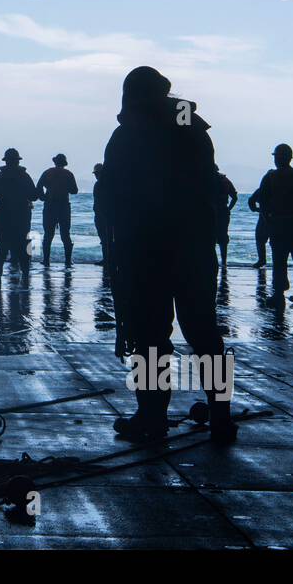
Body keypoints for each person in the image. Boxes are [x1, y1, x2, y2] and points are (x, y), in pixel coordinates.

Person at [101, 66, 235, 444]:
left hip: (145, 249)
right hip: (192, 246)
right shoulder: (192, 127)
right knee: (205, 333)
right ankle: (221, 416)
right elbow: (210, 184)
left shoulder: (127, 134)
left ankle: (151, 417)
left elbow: (112, 198)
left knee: (149, 337)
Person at [252, 144, 293, 305]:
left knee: (279, 261)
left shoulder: (270, 177)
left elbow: (261, 201)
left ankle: (279, 295)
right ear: (290, 158)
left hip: (279, 227)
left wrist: (268, 221)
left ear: (277, 158)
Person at [0, 148, 37, 289]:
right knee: (24, 247)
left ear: (6, 161)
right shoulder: (25, 176)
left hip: (2, 217)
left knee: (1, 247)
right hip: (22, 217)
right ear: (17, 161)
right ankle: (26, 277)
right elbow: (34, 196)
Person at [36, 153, 79, 267]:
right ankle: (68, 261)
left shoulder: (47, 172)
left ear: (55, 162)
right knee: (65, 234)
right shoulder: (68, 174)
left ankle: (46, 260)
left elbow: (38, 186)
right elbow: (74, 190)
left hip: (49, 206)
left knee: (48, 235)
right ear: (64, 163)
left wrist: (43, 197)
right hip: (63, 207)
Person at [214, 168, 238, 271]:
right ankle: (224, 262)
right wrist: (228, 209)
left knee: (209, 238)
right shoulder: (225, 180)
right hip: (223, 211)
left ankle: (214, 262)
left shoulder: (205, 178)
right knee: (223, 238)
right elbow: (234, 197)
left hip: (209, 213)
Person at [247, 184, 270, 269]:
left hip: (264, 217)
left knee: (260, 239)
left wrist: (256, 209)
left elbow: (251, 200)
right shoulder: (283, 188)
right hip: (280, 219)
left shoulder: (263, 189)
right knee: (277, 243)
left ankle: (262, 260)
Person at [91, 163, 109, 270]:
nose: (96, 176)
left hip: (101, 215)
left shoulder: (98, 185)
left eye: (97, 173)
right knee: (105, 238)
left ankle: (107, 259)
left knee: (104, 238)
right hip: (102, 215)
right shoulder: (105, 185)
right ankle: (107, 259)